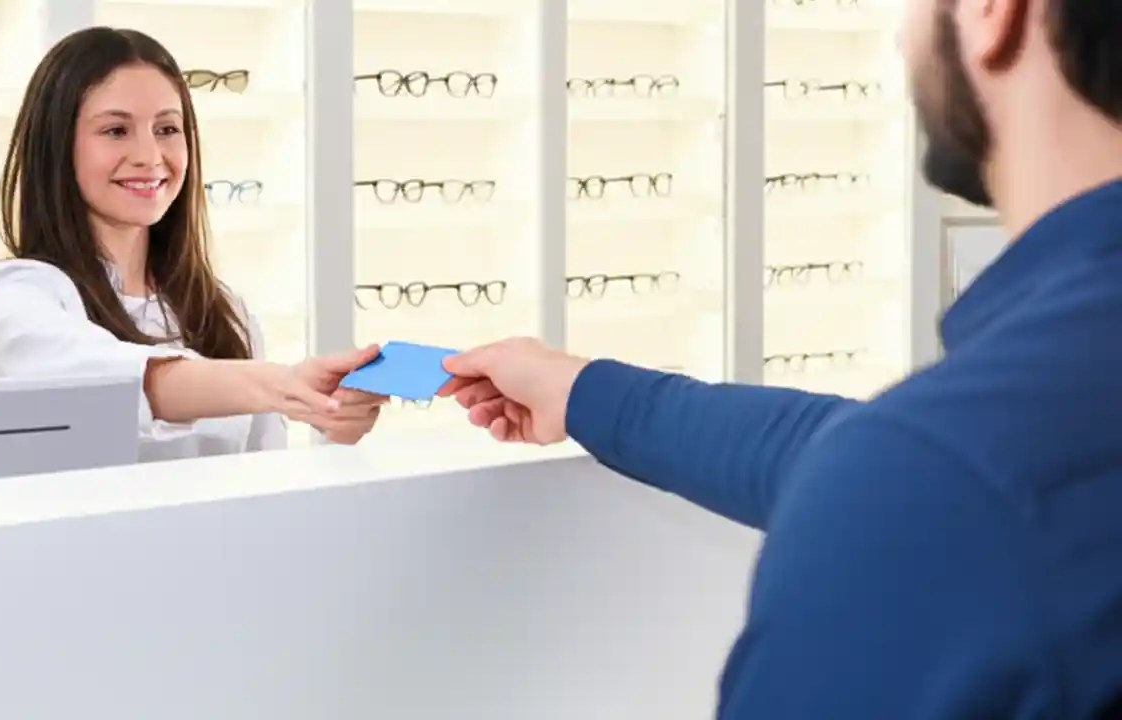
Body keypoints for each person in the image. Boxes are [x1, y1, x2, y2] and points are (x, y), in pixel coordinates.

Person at [440, 0, 1122, 717]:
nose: (899, 34)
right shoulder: (1010, 446)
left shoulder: (944, 493)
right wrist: (587, 392)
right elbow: (886, 461)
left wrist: (890, 471)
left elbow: (932, 484)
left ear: (994, 12)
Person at [0, 27, 386, 461]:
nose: (150, 156)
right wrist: (283, 386)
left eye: (167, 128)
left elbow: (265, 475)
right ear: (57, 146)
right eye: (115, 130)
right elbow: (106, 384)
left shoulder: (224, 311)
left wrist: (329, 413)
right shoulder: (17, 296)